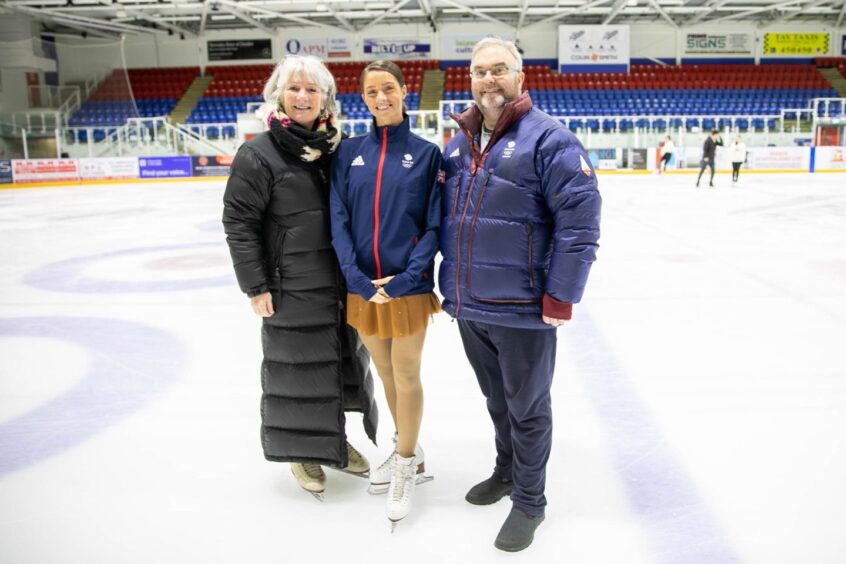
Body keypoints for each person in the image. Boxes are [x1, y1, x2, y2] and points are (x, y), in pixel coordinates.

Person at [440, 38, 601, 552]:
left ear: (520, 78)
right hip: (470, 304)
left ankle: (530, 501)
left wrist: (560, 297)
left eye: (500, 70)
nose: (490, 80)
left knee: (527, 408)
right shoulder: (458, 142)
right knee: (496, 401)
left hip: (524, 309)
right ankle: (506, 472)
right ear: (470, 80)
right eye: (480, 72)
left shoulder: (551, 140)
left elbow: (580, 225)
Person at [222, 55, 378, 501]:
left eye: (312, 89)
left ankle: (330, 443)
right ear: (279, 95)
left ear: (326, 97)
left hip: (339, 285)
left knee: (339, 370)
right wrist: (255, 285)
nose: (303, 96)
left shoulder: (338, 148)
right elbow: (239, 223)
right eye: (294, 88)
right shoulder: (258, 154)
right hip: (289, 287)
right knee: (297, 375)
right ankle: (301, 453)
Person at [329, 60, 442, 529]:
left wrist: (403, 278)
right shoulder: (348, 153)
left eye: (389, 88)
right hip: (361, 288)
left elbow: (435, 224)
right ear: (363, 98)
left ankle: (406, 462)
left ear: (403, 92)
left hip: (408, 287)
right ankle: (406, 450)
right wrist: (355, 277)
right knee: (386, 374)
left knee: (406, 372)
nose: (381, 97)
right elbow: (337, 218)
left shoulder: (427, 153)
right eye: (372, 90)